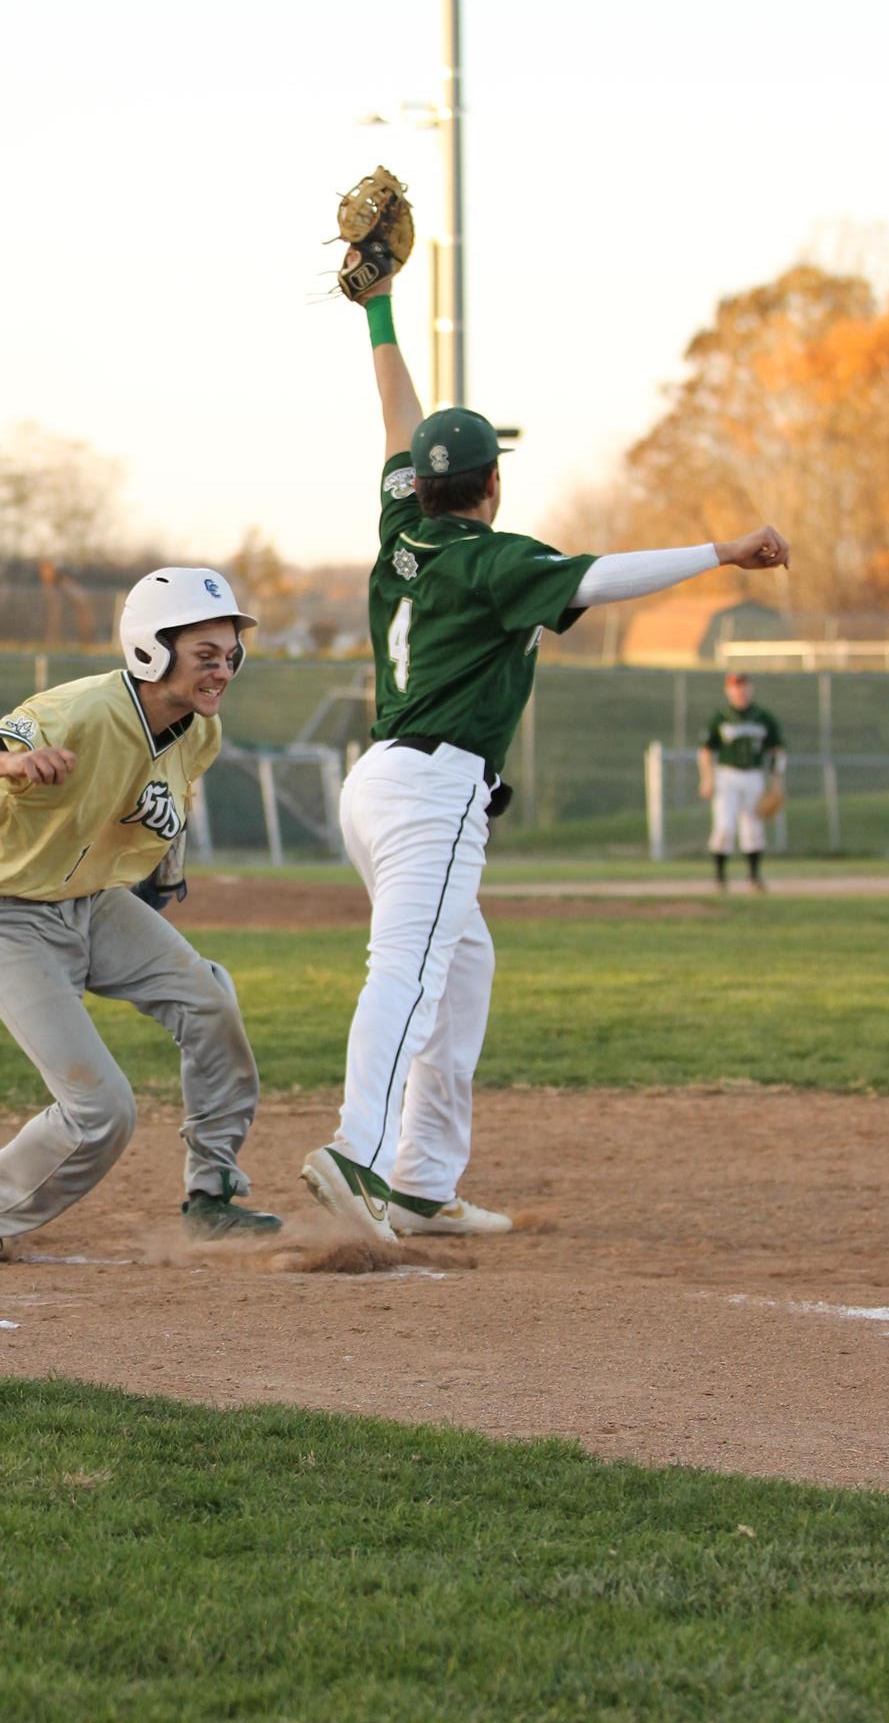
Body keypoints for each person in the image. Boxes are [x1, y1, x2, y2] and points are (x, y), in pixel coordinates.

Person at [301, 271, 791, 1242]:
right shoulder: (492, 559)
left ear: (423, 482)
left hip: (381, 781)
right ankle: (354, 1149)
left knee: (461, 962)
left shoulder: (402, 530)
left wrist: (380, 310)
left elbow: (396, 418)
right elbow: (603, 577)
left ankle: (421, 1181)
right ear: (489, 483)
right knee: (406, 966)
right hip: (433, 785)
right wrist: (723, 551)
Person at [0, 566, 281, 1261]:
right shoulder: (79, 711)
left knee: (210, 1002)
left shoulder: (197, 732)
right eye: (205, 656)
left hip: (91, 901)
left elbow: (165, 804)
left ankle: (210, 1195)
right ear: (152, 648)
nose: (223, 671)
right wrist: (9, 767)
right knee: (102, 1112)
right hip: (0, 914)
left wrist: (164, 870)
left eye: (230, 655)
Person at [697, 671, 786, 893]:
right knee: (724, 827)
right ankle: (720, 878)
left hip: (753, 776)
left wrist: (777, 781)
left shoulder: (763, 717)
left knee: (753, 828)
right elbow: (706, 751)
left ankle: (753, 878)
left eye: (743, 685)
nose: (740, 690)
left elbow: (777, 751)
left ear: (750, 688)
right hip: (726, 776)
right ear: (728, 690)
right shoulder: (720, 717)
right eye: (735, 686)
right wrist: (707, 779)